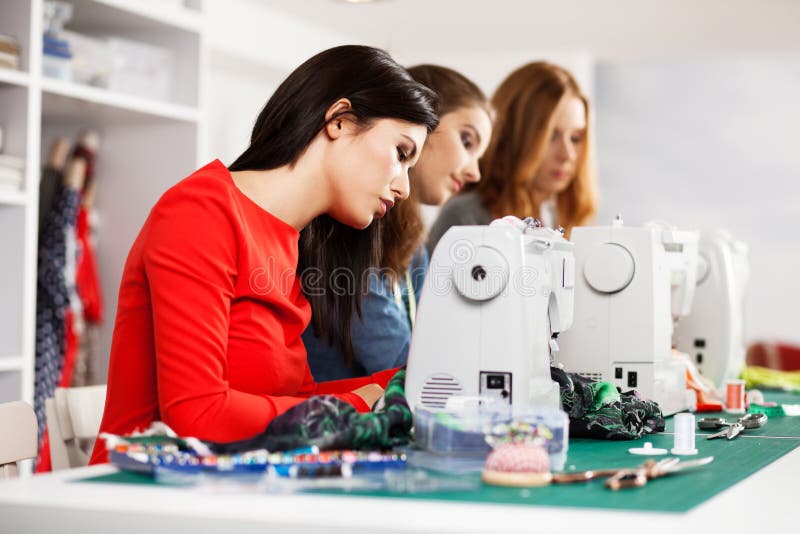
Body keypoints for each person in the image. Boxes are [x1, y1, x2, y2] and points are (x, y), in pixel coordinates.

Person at [89, 45, 438, 464]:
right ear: (340, 121)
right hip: (141, 498)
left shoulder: (290, 238)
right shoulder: (201, 211)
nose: (404, 188)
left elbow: (292, 400)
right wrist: (358, 406)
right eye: (401, 154)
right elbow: (197, 414)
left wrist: (407, 384)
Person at [304, 64, 492, 381]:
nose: (475, 172)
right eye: (467, 142)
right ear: (424, 121)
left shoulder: (413, 245)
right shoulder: (356, 231)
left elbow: (429, 349)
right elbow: (406, 367)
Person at [428, 61, 597, 253]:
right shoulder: (466, 219)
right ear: (514, 135)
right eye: (551, 136)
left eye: (575, 138)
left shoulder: (563, 220)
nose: (567, 154)